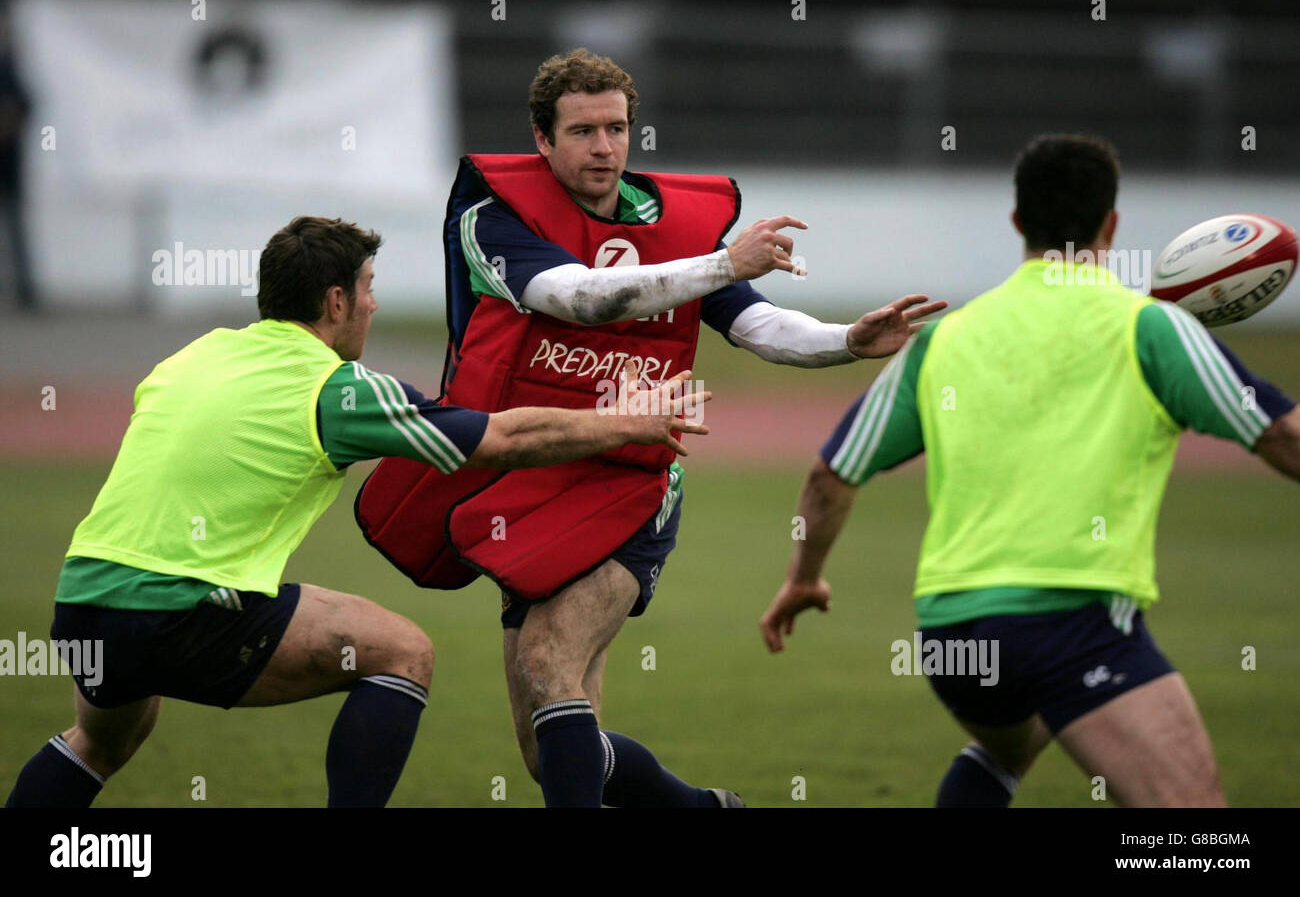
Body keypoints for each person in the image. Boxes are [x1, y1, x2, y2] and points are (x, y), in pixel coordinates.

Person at [357, 48, 945, 808]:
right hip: (531, 480)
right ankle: (706, 809)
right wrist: (723, 264)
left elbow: (757, 323)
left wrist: (845, 342)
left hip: (632, 483)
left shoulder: (674, 230)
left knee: (547, 656)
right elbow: (581, 298)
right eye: (582, 132)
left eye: (617, 128)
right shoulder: (494, 221)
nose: (604, 148)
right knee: (548, 749)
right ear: (542, 141)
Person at [4, 215, 709, 808]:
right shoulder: (338, 390)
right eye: (368, 289)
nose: (374, 305)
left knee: (101, 740)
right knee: (403, 654)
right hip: (186, 608)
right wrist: (627, 420)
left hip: (84, 598)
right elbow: (503, 438)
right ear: (336, 302)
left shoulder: (197, 355)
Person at [759, 133, 1300, 807]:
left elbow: (827, 479)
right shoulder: (1151, 329)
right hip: (1072, 617)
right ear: (1112, 224)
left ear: (1017, 222)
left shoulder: (945, 340)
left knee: (1010, 747)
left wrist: (802, 581)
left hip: (953, 634)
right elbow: (1283, 437)